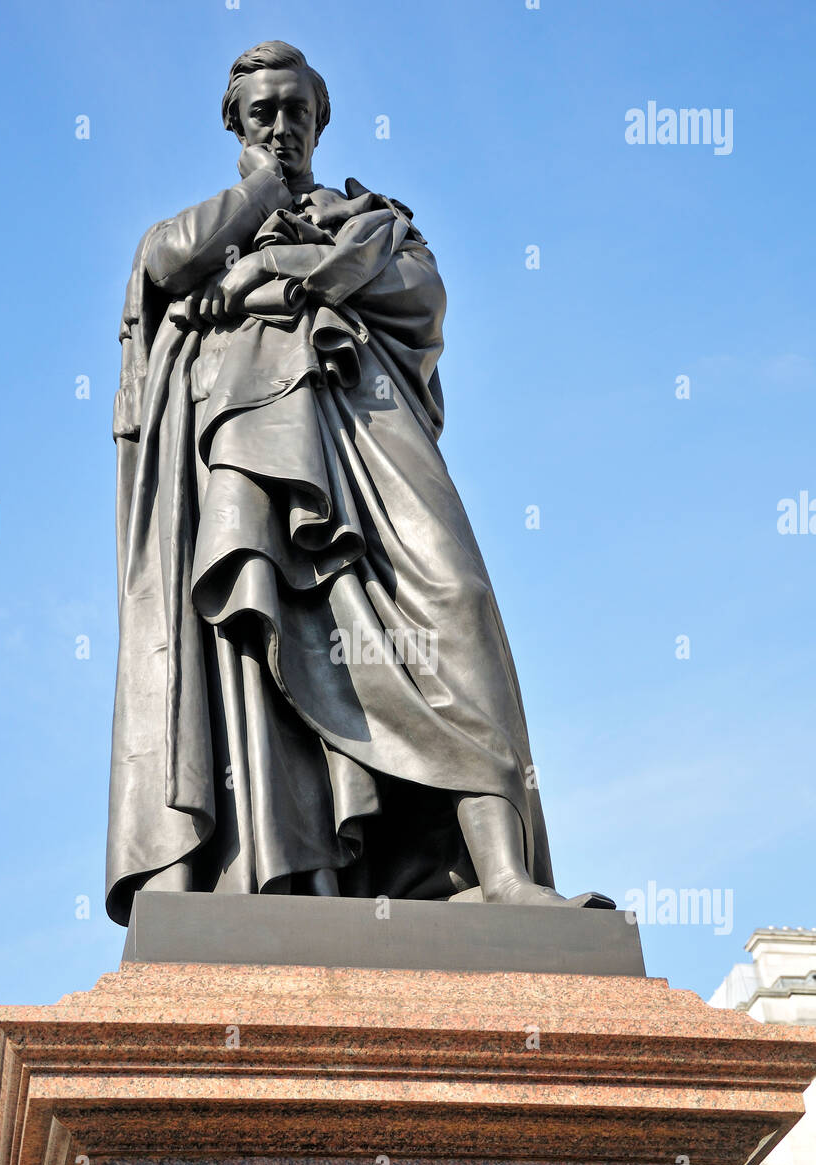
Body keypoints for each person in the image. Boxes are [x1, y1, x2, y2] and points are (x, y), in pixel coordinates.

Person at [106, 40, 612, 925]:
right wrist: (260, 204)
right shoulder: (207, 219)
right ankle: (294, 872)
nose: (279, 125)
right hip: (251, 443)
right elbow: (167, 269)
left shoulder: (372, 219)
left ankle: (502, 875)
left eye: (295, 110)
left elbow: (418, 295)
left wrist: (274, 270)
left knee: (454, 608)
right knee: (260, 646)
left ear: (320, 118)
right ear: (234, 122)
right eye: (261, 111)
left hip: (369, 430)